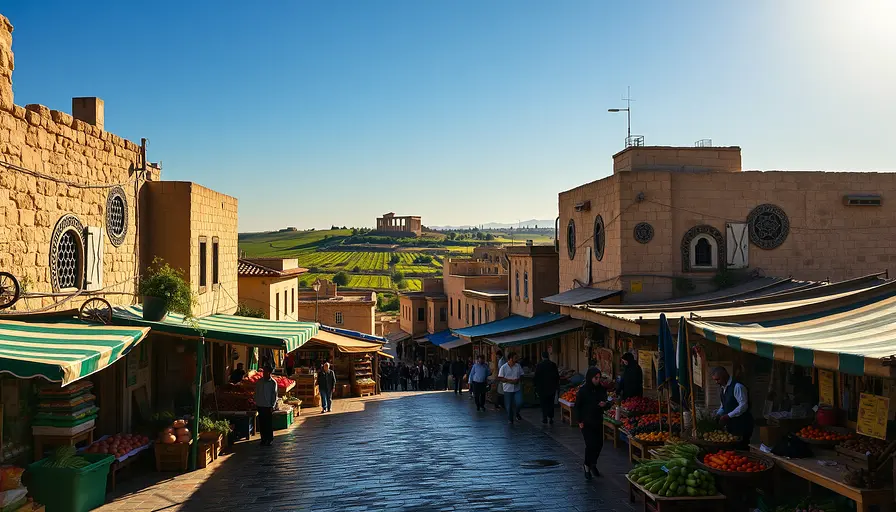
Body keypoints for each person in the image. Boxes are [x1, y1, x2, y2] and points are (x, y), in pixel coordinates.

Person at [575, 367, 609, 479]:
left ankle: (592, 463)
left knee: (599, 444)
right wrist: (579, 420)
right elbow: (578, 406)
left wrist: (605, 404)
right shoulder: (583, 391)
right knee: (590, 445)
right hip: (586, 421)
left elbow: (607, 401)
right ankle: (586, 467)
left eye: (599, 378)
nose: (597, 380)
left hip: (597, 420)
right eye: (595, 378)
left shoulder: (601, 389)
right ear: (590, 378)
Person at [711, 367, 753, 449]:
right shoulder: (723, 388)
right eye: (715, 380)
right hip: (732, 425)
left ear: (725, 376)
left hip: (742, 424)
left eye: (718, 379)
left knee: (741, 449)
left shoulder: (738, 387)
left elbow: (743, 406)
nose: (716, 382)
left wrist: (728, 416)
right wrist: (718, 414)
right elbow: (723, 405)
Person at [254, 363, 278, 446]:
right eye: (263, 371)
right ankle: (263, 439)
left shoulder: (273, 383)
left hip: (268, 406)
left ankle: (269, 438)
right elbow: (256, 392)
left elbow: (274, 395)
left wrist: (273, 405)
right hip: (260, 404)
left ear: (269, 373)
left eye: (266, 372)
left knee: (268, 423)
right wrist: (256, 402)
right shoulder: (259, 382)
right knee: (262, 423)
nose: (264, 373)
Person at [534, 351, 560, 425]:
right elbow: (557, 376)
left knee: (543, 403)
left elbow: (536, 377)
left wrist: (535, 386)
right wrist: (556, 385)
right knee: (550, 403)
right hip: (552, 387)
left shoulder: (539, 365)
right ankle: (551, 417)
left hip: (542, 387)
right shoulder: (553, 365)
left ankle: (544, 417)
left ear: (542, 357)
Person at [498, 352, 524, 424]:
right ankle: (510, 418)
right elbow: (500, 378)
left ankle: (517, 413)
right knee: (508, 406)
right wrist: (509, 381)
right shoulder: (504, 367)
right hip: (508, 389)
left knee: (520, 402)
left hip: (517, 388)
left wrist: (518, 380)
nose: (517, 359)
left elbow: (522, 374)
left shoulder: (518, 366)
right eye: (515, 357)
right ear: (510, 358)